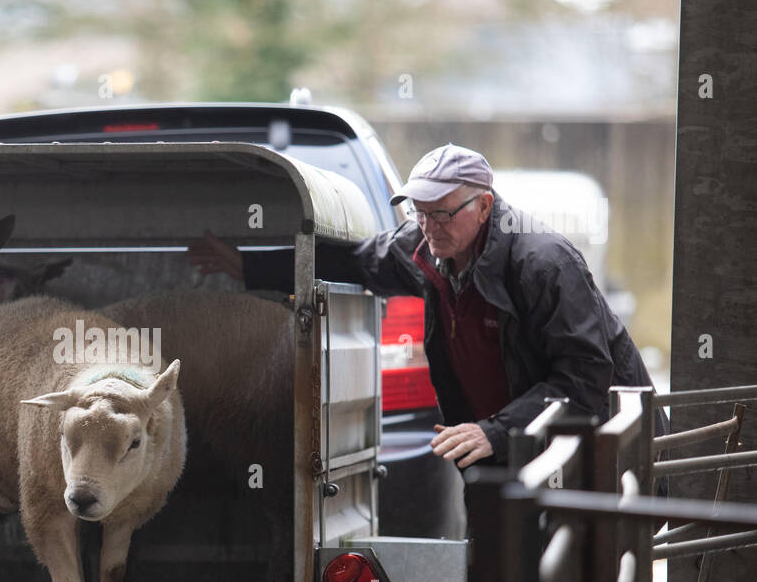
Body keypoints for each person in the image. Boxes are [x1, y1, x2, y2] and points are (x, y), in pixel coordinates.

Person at [188, 143, 666, 468]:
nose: (428, 224)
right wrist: (247, 266)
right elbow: (355, 260)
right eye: (418, 210)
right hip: (495, 450)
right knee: (499, 577)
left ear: (483, 206)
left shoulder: (542, 263)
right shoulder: (423, 248)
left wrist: (496, 432)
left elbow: (583, 381)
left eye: (441, 211)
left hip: (591, 460)